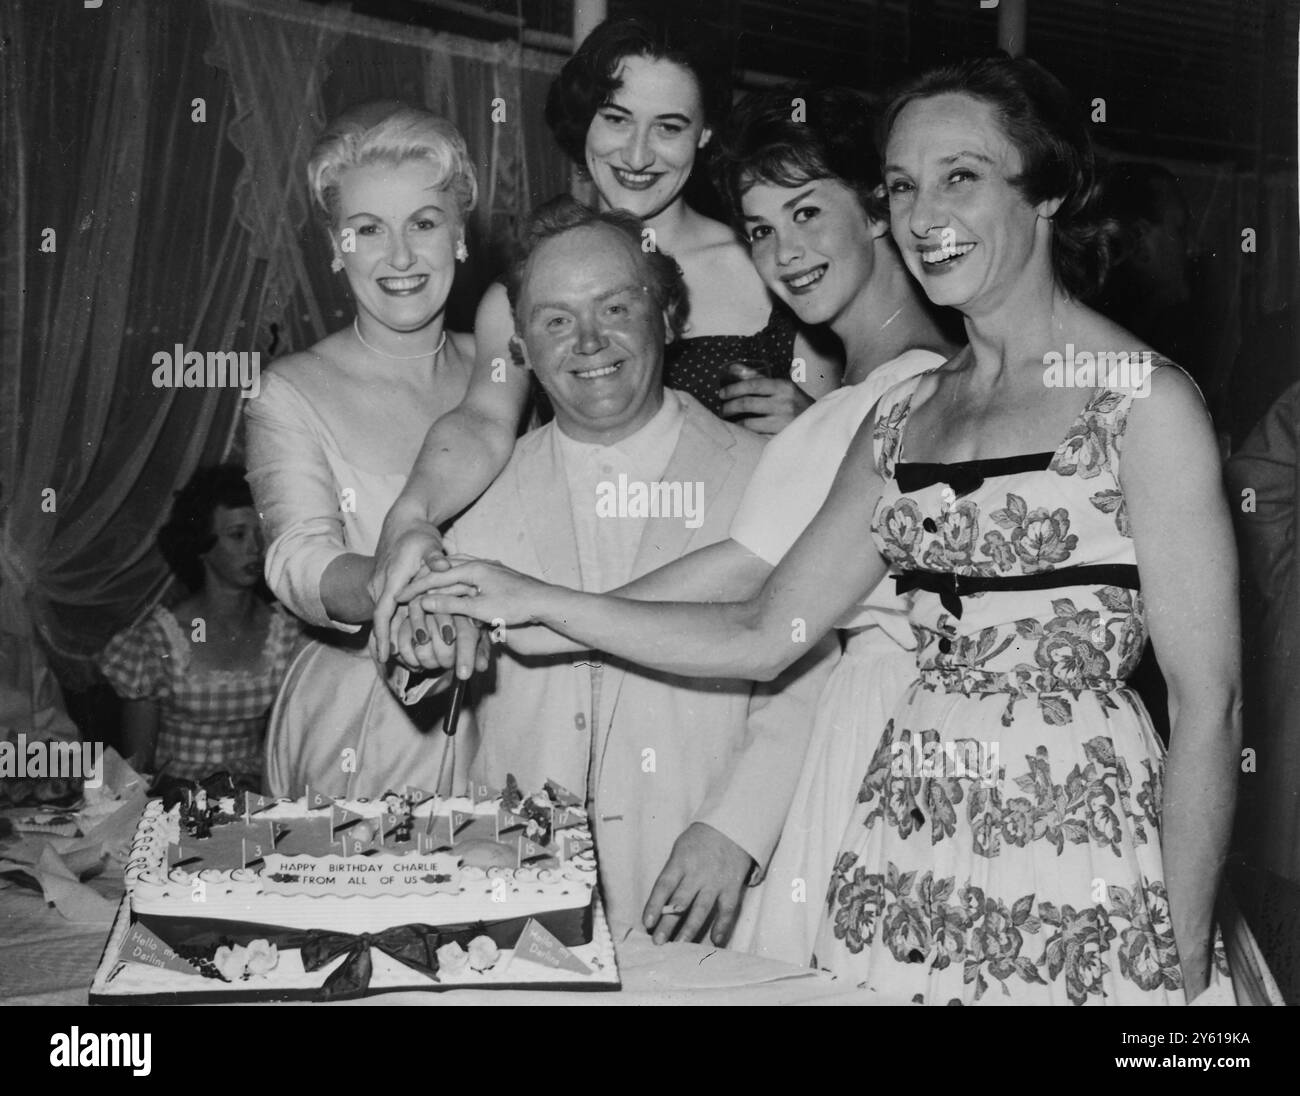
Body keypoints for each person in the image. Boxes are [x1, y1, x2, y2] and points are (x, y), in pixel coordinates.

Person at [407, 57, 1241, 1005]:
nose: (926, 214)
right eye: (901, 185)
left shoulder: (1143, 401)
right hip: (913, 832)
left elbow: (1208, 706)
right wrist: (519, 598)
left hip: (1082, 840)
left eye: (959, 177)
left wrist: (1179, 955)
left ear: (1044, 190)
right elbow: (766, 625)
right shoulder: (905, 413)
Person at [392, 197, 832, 941]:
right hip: (514, 885)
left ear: (665, 317)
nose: (589, 340)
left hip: (700, 884)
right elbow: (425, 656)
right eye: (556, 319)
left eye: (616, 307)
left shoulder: (767, 475)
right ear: (523, 346)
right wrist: (423, 647)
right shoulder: (479, 486)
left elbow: (808, 673)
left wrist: (736, 829)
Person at [367, 19, 840, 662]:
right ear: (586, 119)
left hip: (725, 621)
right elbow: (483, 419)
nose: (638, 155)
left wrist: (813, 425)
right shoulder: (532, 280)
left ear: (704, 134)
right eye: (617, 119)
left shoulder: (774, 268)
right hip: (563, 606)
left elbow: (841, 465)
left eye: (669, 127)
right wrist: (410, 515)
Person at [243, 102, 481, 799]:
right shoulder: (289, 389)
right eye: (368, 229)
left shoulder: (508, 373)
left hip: (516, 707)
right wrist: (388, 590)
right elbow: (297, 558)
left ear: (460, 236)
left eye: (424, 224)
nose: (400, 257)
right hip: (366, 720)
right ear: (334, 248)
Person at [97, 465, 301, 790]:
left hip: (254, 803)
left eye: (261, 534)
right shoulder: (156, 640)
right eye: (237, 535)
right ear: (202, 545)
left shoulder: (287, 632)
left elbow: (288, 750)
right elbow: (137, 772)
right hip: (174, 807)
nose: (255, 548)